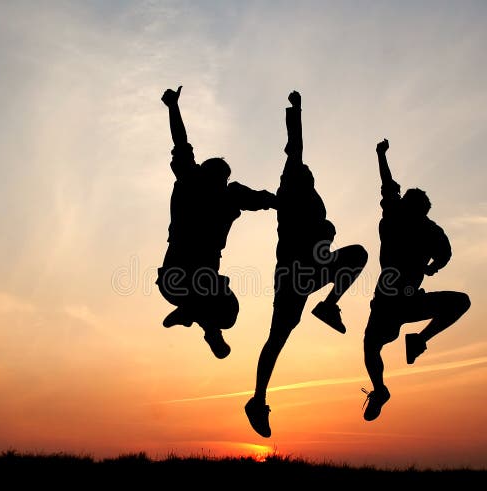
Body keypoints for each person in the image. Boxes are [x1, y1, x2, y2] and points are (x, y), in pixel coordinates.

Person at [245, 90, 368, 437]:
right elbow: (295, 146)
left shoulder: (310, 196)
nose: (308, 172)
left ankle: (329, 307)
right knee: (277, 338)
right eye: (303, 172)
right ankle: (257, 401)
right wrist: (296, 111)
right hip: (292, 276)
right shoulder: (292, 190)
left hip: (313, 269)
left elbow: (323, 232)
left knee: (357, 254)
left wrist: (326, 236)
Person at [157, 86, 277, 359]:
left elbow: (181, 143)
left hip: (173, 281)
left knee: (226, 312)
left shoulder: (199, 183)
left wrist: (173, 106)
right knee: (223, 309)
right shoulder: (217, 190)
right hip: (195, 278)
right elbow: (261, 198)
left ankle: (197, 318)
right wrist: (173, 107)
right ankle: (200, 321)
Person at [361, 138, 471, 421]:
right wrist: (434, 267)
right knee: (371, 345)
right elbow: (446, 255)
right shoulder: (420, 225)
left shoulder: (405, 218)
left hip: (395, 301)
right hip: (399, 301)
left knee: (372, 345)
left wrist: (381, 154)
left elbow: (387, 184)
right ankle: (390, 378)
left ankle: (412, 348)